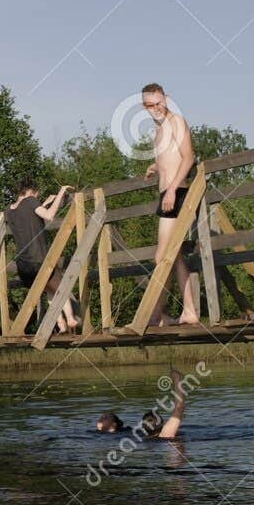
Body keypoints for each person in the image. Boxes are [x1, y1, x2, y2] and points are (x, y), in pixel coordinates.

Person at [139, 83, 200, 325]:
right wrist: (155, 167)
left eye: (158, 103)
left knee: (161, 256)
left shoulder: (176, 122)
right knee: (170, 256)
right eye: (148, 105)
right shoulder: (159, 130)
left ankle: (156, 314)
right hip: (167, 192)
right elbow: (170, 158)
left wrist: (173, 190)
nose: (154, 108)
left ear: (167, 99)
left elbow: (188, 157)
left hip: (177, 193)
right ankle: (188, 310)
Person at [5, 180, 80, 334]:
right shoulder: (31, 201)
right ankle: (71, 318)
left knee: (50, 290)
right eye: (37, 195)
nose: (37, 198)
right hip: (38, 261)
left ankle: (61, 323)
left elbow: (29, 218)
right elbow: (49, 216)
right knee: (61, 288)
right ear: (31, 192)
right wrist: (61, 193)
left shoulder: (10, 210)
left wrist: (45, 202)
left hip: (23, 266)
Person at [94, 368, 188, 440]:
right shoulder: (165, 434)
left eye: (105, 417)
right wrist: (177, 379)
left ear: (142, 426)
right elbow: (179, 408)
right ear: (162, 424)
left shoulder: (142, 438)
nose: (101, 418)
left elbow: (179, 408)